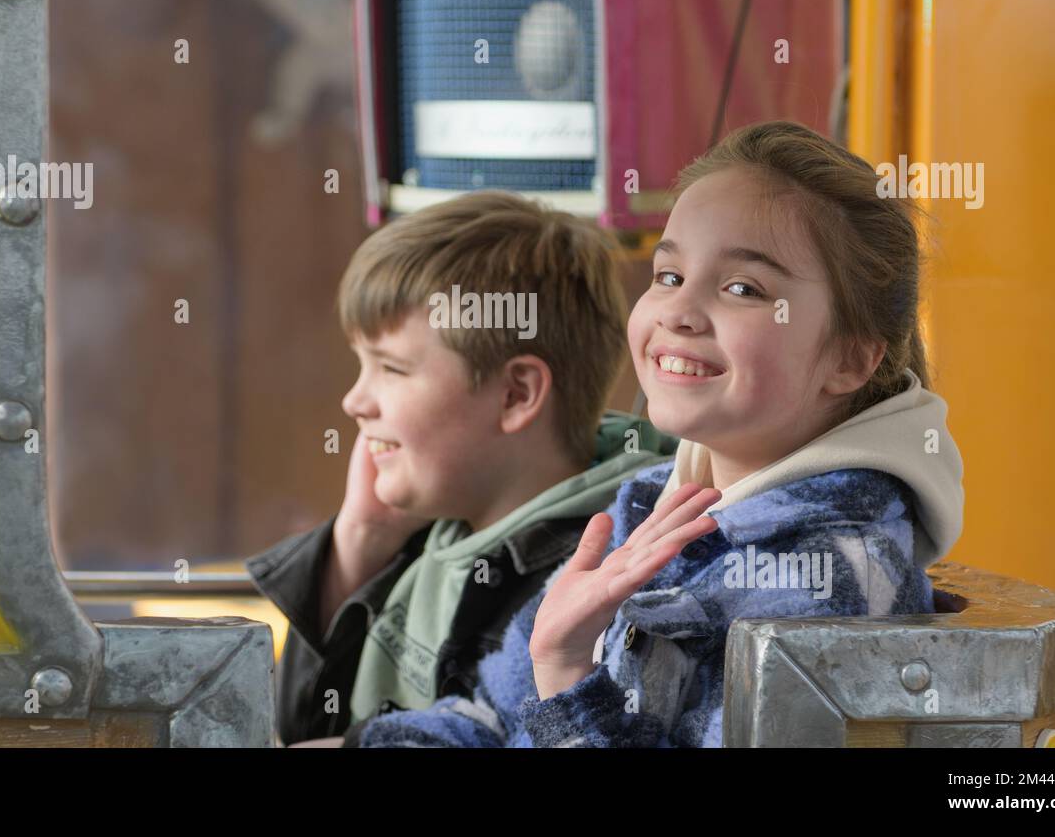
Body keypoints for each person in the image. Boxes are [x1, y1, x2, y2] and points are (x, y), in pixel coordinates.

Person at [358, 120, 965, 747]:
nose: (677, 311)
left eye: (742, 288)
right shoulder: (650, 504)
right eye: (669, 276)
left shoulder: (835, 577)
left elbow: (546, 691)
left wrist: (566, 671)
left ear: (850, 359)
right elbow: (492, 716)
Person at [246, 190, 678, 745]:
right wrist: (359, 542)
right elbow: (298, 729)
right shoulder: (435, 525)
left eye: (392, 369)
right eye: (362, 365)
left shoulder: (589, 581)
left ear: (516, 395)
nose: (355, 401)